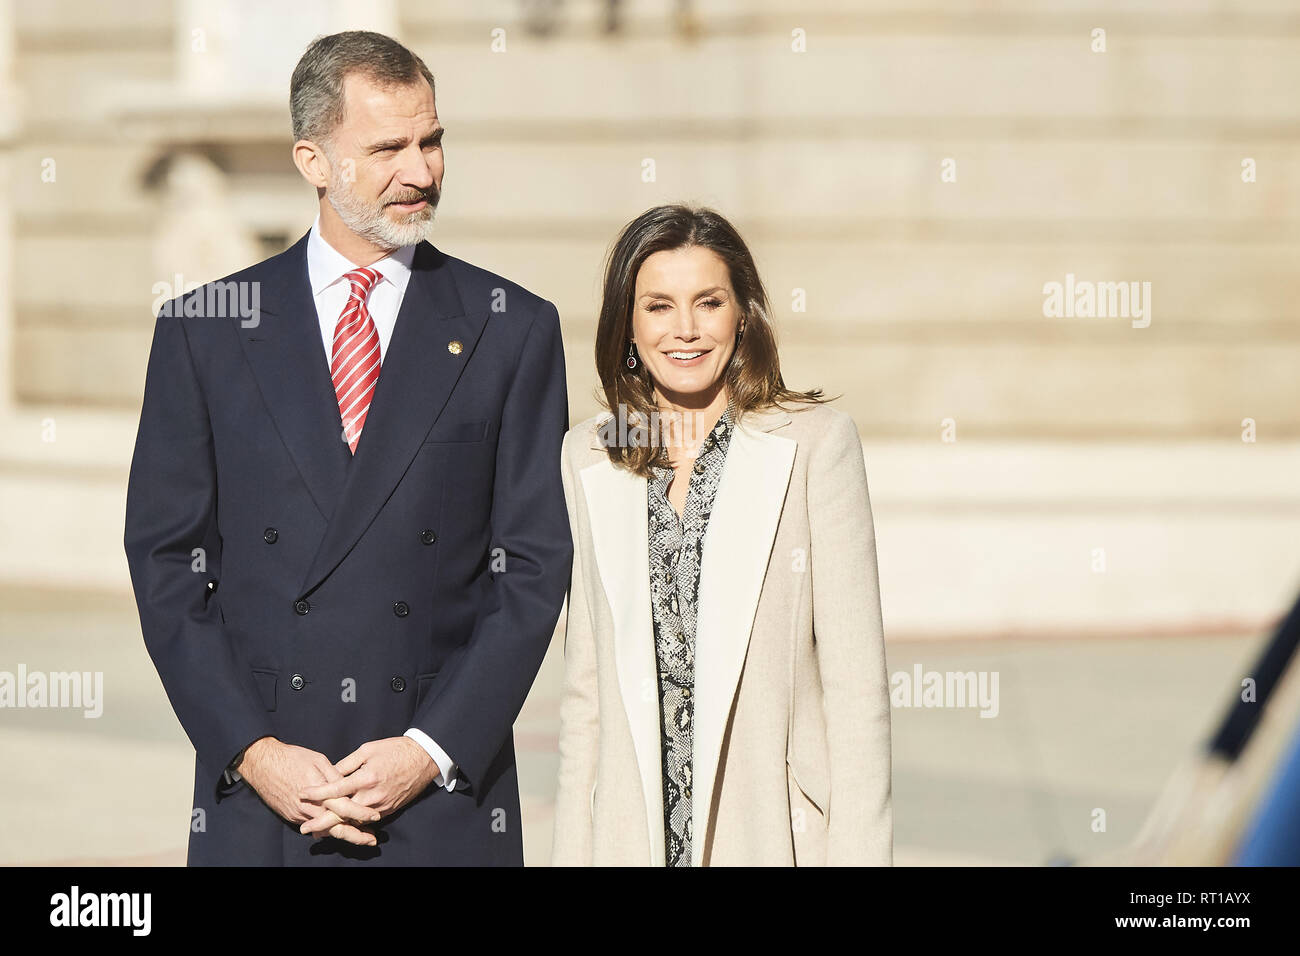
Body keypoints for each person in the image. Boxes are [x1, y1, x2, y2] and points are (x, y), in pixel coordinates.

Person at [123, 30, 571, 865]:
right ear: (313, 160)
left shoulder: (512, 329)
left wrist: (429, 750)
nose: (422, 171)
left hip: (439, 800)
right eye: (388, 147)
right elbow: (165, 564)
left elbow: (536, 568)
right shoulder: (205, 332)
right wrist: (254, 752)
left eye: (432, 140)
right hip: (267, 798)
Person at [550, 204, 892, 866]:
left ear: (743, 316)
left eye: (708, 302)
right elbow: (585, 700)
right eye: (658, 306)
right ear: (627, 324)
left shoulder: (815, 446)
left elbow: (858, 695)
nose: (685, 330)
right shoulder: (588, 456)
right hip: (632, 840)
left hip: (773, 837)